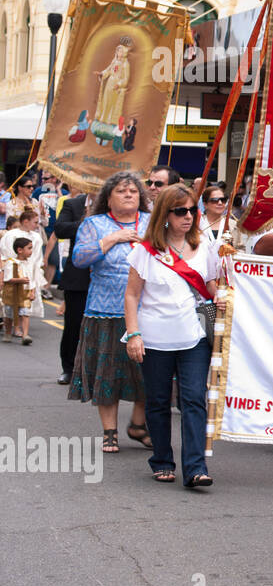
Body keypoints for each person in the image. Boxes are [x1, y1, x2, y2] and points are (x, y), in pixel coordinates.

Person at [123, 184, 219, 487]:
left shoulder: (205, 245)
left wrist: (224, 297)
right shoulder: (145, 251)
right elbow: (131, 295)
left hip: (193, 337)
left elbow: (213, 286)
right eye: (180, 211)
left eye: (192, 210)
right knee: (158, 401)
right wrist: (133, 334)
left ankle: (195, 467)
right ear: (165, 214)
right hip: (154, 338)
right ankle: (162, 460)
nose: (188, 217)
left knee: (193, 399)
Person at [68, 171, 151, 455]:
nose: (129, 195)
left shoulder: (152, 222)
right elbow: (79, 259)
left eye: (133, 191)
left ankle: (138, 425)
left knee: (148, 373)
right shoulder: (95, 224)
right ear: (109, 197)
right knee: (108, 374)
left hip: (147, 309)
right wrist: (113, 238)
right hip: (105, 310)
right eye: (122, 191)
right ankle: (109, 432)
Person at [53, 191, 91, 384]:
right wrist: (88, 222)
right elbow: (60, 229)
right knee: (73, 324)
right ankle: (68, 367)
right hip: (78, 276)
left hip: (107, 277)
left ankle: (93, 368)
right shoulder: (74, 204)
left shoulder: (115, 204)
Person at [3, 236, 36, 344]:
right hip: (12, 293)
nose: (31, 251)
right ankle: (8, 333)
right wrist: (19, 280)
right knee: (9, 314)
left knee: (25, 313)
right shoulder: (11, 263)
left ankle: (25, 335)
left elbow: (32, 279)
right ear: (20, 250)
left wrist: (32, 292)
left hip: (24, 292)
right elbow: (7, 278)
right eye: (29, 248)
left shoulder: (30, 264)